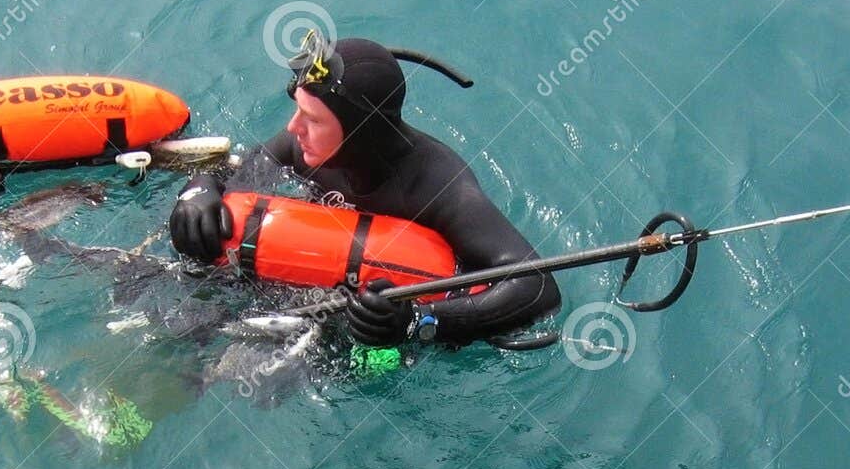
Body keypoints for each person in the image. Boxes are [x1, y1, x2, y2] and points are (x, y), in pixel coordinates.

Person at [169, 34, 561, 348]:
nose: (292, 129)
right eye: (297, 112)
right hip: (307, 274)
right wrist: (199, 189)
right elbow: (236, 179)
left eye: (312, 118)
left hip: (379, 323)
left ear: (361, 129)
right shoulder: (304, 149)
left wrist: (421, 323)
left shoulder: (438, 187)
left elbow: (537, 287)